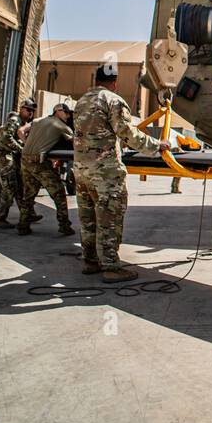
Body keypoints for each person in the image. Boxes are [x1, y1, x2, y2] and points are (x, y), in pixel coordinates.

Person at [73, 65, 171, 282]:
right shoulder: (113, 100)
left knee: (88, 218)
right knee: (109, 218)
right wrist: (157, 146)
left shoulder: (81, 101)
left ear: (96, 80)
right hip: (105, 173)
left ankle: (90, 260)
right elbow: (127, 133)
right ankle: (110, 267)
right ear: (115, 83)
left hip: (81, 170)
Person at [16, 103, 75, 236]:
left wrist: (28, 144)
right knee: (59, 193)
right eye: (66, 112)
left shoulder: (37, 121)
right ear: (58, 111)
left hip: (25, 159)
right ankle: (64, 225)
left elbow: (20, 131)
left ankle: (23, 226)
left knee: (28, 194)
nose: (68, 116)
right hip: (40, 163)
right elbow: (75, 142)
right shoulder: (61, 126)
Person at [0, 98, 35, 227]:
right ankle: (0, 219)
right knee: (9, 188)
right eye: (28, 110)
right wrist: (22, 149)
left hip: (9, 157)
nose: (30, 113)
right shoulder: (15, 120)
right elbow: (7, 138)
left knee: (19, 187)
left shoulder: (22, 122)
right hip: (4, 157)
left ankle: (28, 214)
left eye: (32, 111)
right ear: (21, 109)